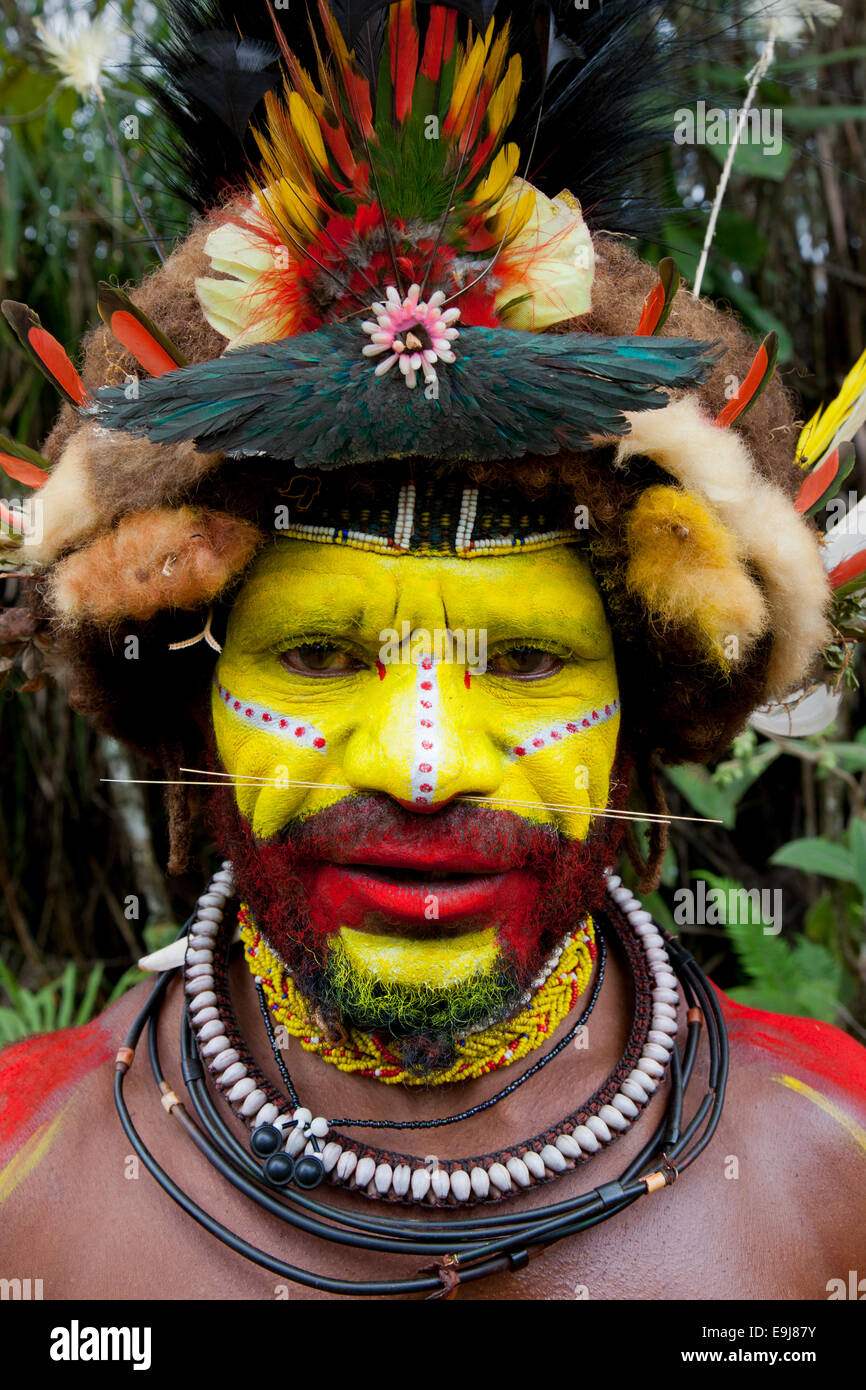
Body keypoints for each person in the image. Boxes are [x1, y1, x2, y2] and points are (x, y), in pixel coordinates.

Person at [1, 0, 864, 1300]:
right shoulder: (25, 1167)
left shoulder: (836, 1157)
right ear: (192, 701)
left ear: (647, 706)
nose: (421, 767)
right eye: (319, 656)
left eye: (521, 662)